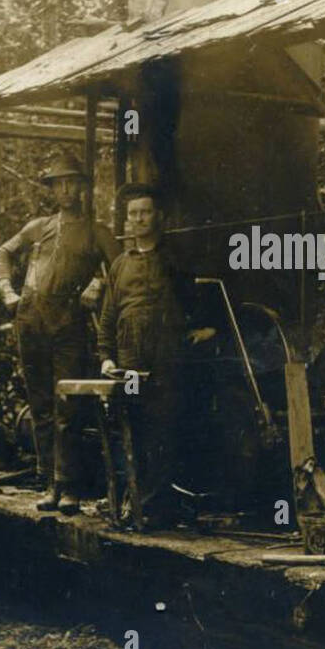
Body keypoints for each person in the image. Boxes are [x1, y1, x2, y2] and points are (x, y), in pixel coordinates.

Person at [0, 150, 117, 512]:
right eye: (59, 184)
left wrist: (99, 284)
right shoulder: (39, 226)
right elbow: (2, 251)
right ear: (53, 189)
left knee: (69, 405)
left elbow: (122, 269)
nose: (66, 190)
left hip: (69, 322)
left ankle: (70, 488)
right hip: (30, 317)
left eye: (72, 183)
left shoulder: (97, 232)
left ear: (82, 187)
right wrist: (7, 291)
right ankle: (48, 483)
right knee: (40, 406)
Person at [98, 184, 213, 530]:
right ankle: (137, 503)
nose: (138, 219)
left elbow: (200, 301)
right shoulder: (120, 265)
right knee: (134, 424)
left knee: (164, 429)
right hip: (131, 362)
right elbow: (108, 317)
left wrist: (208, 328)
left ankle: (156, 508)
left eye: (144, 212)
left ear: (158, 217)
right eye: (133, 214)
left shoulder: (175, 260)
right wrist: (106, 357)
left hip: (167, 360)